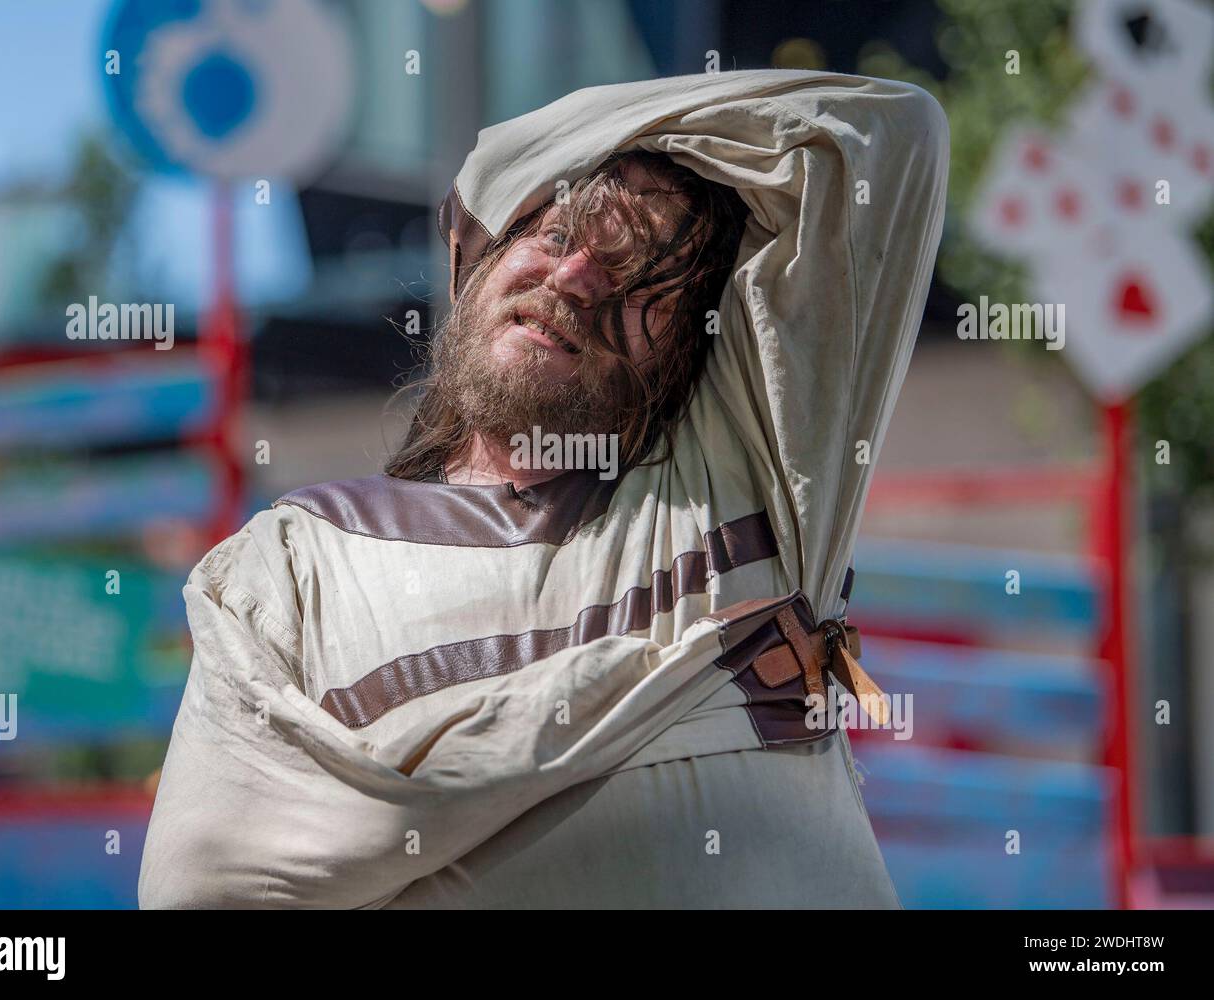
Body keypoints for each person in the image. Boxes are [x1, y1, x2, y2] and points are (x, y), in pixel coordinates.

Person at [139, 68, 949, 908]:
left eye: (642, 278)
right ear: (479, 255)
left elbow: (889, 131)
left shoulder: (747, 474)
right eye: (556, 235)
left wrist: (414, 762)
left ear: (684, 357)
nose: (578, 280)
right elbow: (205, 879)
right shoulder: (294, 561)